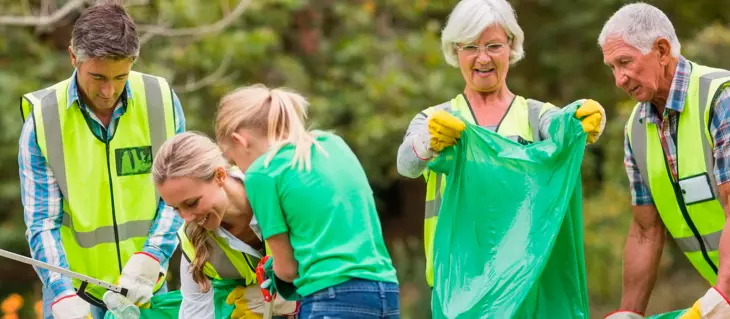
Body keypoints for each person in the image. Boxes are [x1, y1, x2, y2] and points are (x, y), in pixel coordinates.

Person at [395, 0, 606, 289]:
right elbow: (405, 164)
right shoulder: (436, 119)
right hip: (455, 285)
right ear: (456, 51)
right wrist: (428, 141)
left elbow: (562, 126)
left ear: (511, 46)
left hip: (523, 286)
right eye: (470, 46)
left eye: (493, 46)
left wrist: (583, 117)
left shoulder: (535, 116)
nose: (482, 59)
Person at [17, 3, 185, 319]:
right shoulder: (43, 120)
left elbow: (177, 196)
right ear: (73, 58)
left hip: (145, 290)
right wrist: (61, 291)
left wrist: (152, 256)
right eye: (97, 77)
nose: (108, 91)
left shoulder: (160, 101)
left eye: (120, 76)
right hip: (73, 297)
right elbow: (42, 221)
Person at [214, 84, 400, 318]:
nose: (238, 170)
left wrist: (272, 277)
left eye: (233, 160)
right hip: (385, 289)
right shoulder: (333, 144)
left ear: (240, 140)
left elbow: (288, 270)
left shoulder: (261, 173)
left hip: (330, 297)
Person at [597, 3, 730, 319]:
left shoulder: (721, 98)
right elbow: (646, 230)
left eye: (625, 62)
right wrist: (629, 313)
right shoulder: (636, 129)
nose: (619, 79)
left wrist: (722, 294)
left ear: (661, 50)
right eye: (612, 67)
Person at [152, 131, 299, 319]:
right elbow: (196, 312)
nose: (186, 218)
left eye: (192, 203)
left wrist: (290, 300)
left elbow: (336, 266)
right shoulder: (192, 239)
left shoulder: (279, 194)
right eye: (176, 209)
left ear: (220, 176)